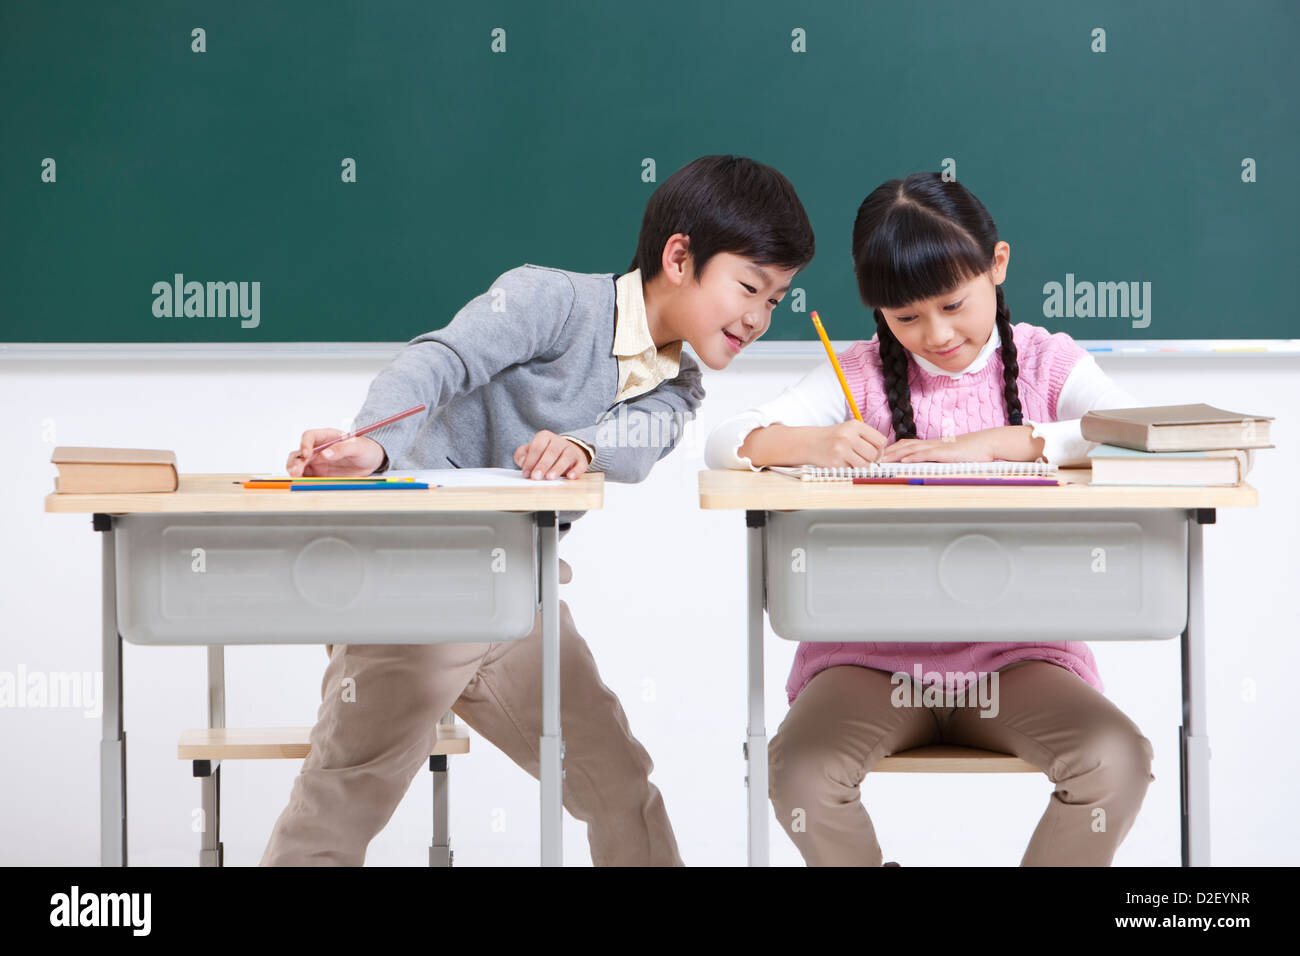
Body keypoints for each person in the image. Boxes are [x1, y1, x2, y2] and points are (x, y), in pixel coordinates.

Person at [261, 154, 814, 865]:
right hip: (419, 586)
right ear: (680, 257)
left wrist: (582, 447)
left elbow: (636, 445)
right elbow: (437, 361)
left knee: (619, 787)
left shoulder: (678, 386)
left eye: (777, 298)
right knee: (346, 796)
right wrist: (372, 448)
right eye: (750, 287)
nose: (761, 317)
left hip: (518, 600)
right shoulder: (549, 300)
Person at [705, 171, 1154, 866]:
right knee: (799, 772)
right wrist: (806, 441)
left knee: (1116, 758)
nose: (937, 334)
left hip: (1018, 660)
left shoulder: (1044, 361)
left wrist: (999, 443)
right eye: (906, 317)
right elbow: (725, 439)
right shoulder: (852, 375)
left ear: (995, 265)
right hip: (867, 662)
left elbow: (1129, 431)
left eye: (953, 303)